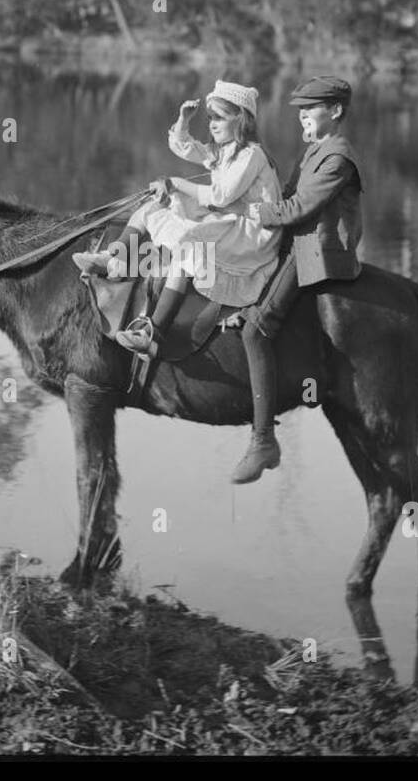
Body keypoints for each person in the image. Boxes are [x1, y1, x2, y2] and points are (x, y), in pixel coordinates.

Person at [73, 80, 282, 358]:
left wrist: (175, 182)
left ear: (240, 119)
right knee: (152, 206)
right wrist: (184, 120)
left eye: (219, 117)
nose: (212, 124)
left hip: (253, 235)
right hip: (232, 221)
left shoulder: (250, 154)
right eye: (210, 118)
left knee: (188, 245)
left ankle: (151, 333)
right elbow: (184, 147)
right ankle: (115, 259)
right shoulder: (225, 150)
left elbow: (220, 195)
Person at [234, 75, 364, 484]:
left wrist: (266, 214)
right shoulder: (314, 152)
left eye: (311, 110)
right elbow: (287, 194)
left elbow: (302, 207)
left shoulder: (337, 158)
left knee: (256, 332)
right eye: (301, 111)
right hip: (296, 242)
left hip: (312, 251)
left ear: (336, 112)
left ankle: (263, 441)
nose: (303, 117)